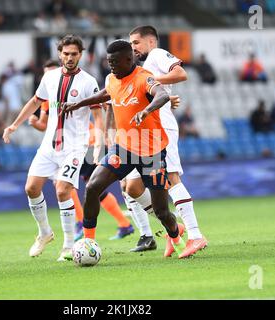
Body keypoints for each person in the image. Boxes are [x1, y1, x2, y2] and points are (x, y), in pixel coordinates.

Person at [62, 39, 187, 257]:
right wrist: (78, 104)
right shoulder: (112, 78)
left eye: (114, 62)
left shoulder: (143, 77)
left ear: (128, 59)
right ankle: (88, 243)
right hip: (124, 148)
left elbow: (163, 95)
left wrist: (147, 110)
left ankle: (175, 235)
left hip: (152, 152)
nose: (110, 66)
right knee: (92, 187)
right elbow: (105, 93)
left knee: (161, 211)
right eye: (108, 61)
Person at [2, 35, 101, 262]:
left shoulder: (88, 81)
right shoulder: (50, 77)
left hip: (75, 146)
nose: (69, 58)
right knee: (31, 188)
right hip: (49, 145)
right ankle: (45, 233)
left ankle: (68, 245)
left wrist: (100, 144)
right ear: (59, 54)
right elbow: (35, 102)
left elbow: (97, 113)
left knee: (62, 190)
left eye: (74, 54)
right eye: (66, 54)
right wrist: (14, 125)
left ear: (80, 55)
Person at [124, 26, 207, 259]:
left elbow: (181, 74)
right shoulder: (141, 67)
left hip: (163, 129)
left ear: (151, 42)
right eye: (131, 43)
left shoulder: (157, 55)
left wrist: (149, 81)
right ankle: (174, 233)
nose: (133, 47)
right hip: (146, 132)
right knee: (133, 187)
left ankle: (195, 234)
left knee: (172, 179)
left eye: (136, 42)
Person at [29, 61, 134, 242]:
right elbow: (46, 126)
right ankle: (123, 224)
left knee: (75, 186)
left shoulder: (77, 85)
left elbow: (96, 112)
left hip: (85, 143)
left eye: (52, 72)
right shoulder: (48, 99)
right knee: (81, 186)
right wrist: (35, 123)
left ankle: (84, 223)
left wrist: (35, 122)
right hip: (67, 144)